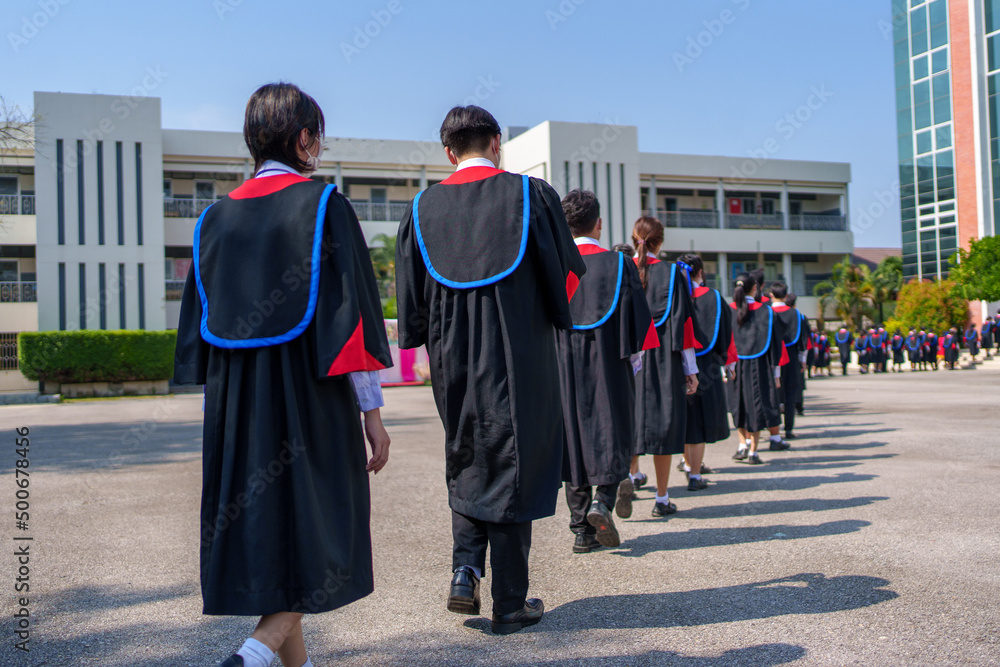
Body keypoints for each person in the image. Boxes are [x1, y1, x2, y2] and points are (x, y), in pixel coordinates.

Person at [174, 83, 393, 667]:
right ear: (303, 139)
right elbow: (352, 324)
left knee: (271, 544)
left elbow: (203, 336)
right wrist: (372, 415)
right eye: (318, 136)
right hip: (310, 396)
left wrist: (219, 425)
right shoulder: (325, 206)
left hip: (235, 408)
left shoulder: (211, 221)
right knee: (327, 535)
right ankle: (254, 652)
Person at [395, 105, 586, 634]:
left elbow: (410, 302)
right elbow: (567, 280)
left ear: (449, 153)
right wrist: (546, 317)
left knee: (467, 450)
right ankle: (508, 602)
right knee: (513, 457)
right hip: (517, 351)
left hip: (451, 355)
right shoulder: (532, 195)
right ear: (497, 143)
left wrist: (423, 344)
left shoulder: (420, 207)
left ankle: (464, 569)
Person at [554, 190, 657, 554]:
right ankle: (604, 501)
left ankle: (581, 530)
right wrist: (635, 363)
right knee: (614, 427)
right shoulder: (619, 264)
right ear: (599, 224)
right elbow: (638, 325)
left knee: (572, 437)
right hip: (609, 361)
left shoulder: (551, 263)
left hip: (561, 364)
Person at [628, 216, 700, 518]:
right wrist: (691, 369)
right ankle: (661, 498)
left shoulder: (621, 268)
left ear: (635, 239)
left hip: (628, 359)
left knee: (629, 422)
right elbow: (684, 326)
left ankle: (628, 479)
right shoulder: (674, 274)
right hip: (663, 359)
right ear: (660, 241)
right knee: (662, 426)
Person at [679, 253, 733, 490]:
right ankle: (695, 475)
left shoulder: (674, 295)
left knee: (683, 420)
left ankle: (685, 462)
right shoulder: (714, 297)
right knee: (700, 424)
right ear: (700, 272)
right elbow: (724, 333)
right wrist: (722, 359)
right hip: (706, 367)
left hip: (676, 364)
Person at [727, 273, 787, 464]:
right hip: (758, 365)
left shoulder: (729, 310)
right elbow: (776, 344)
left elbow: (724, 340)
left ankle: (742, 444)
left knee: (738, 406)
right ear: (755, 288)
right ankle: (753, 451)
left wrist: (725, 366)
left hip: (734, 365)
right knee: (756, 406)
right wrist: (776, 373)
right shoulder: (767, 311)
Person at [769, 282, 807, 439]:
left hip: (772, 357)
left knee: (773, 394)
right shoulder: (796, 314)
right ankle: (789, 429)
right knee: (791, 394)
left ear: (771, 295)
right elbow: (803, 341)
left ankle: (773, 429)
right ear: (786, 295)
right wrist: (802, 360)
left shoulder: (768, 312)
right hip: (791, 357)